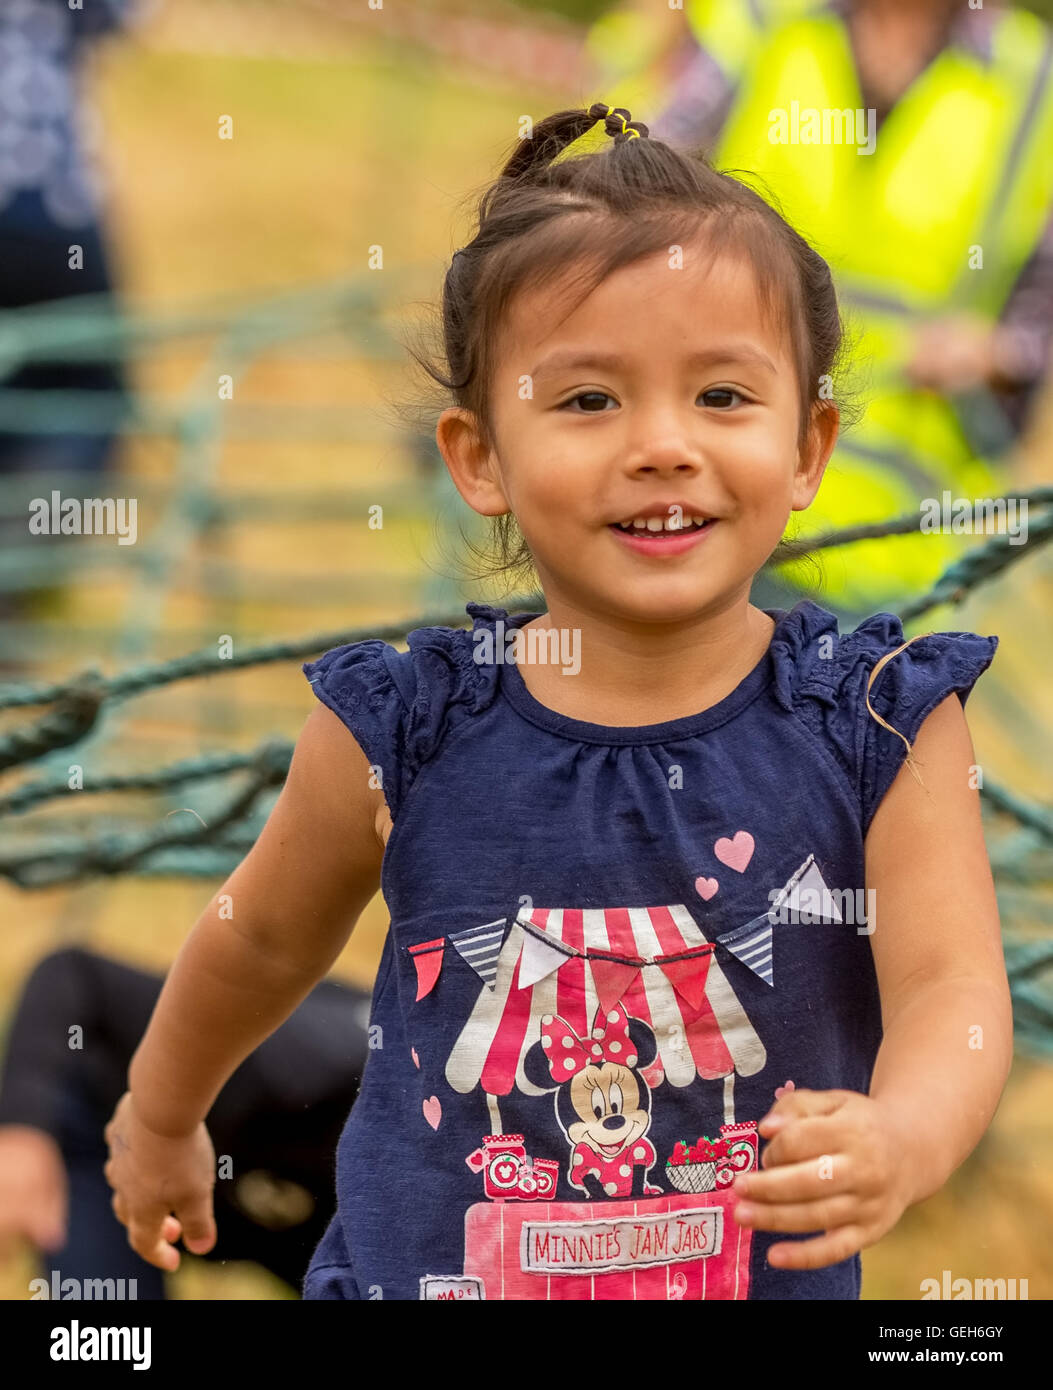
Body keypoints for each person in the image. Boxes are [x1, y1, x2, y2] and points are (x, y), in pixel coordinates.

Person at [103, 104, 1012, 1301]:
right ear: (480, 457)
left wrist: (906, 1133)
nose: (662, 446)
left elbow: (955, 988)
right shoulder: (407, 727)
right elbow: (261, 935)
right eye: (589, 401)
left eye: (725, 398)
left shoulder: (881, 722)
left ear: (809, 446)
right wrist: (161, 1111)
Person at [646, 0, 1053, 612]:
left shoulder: (1032, 77)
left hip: (891, 546)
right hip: (706, 493)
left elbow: (1040, 312)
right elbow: (639, 195)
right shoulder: (765, 24)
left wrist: (995, 351)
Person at [0, 947, 372, 1298]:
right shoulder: (299, 1065)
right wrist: (24, 1132)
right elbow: (74, 976)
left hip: (257, 1200)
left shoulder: (400, 1237)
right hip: (111, 1138)